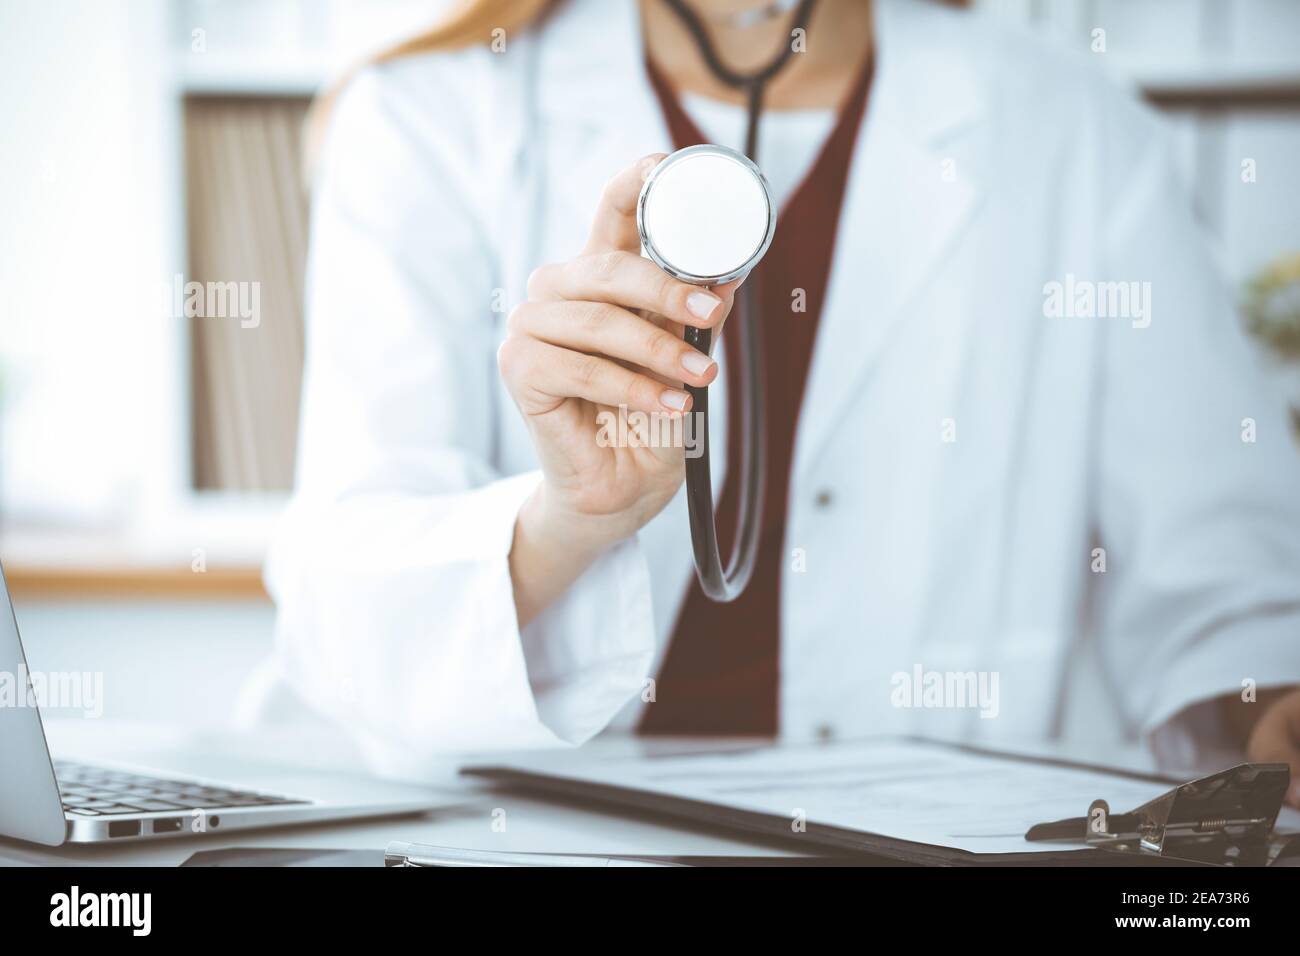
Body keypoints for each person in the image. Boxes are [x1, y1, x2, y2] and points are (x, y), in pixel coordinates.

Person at [244, 0, 1300, 799]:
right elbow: (346, 594)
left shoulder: (1073, 130)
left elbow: (1223, 584)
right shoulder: (432, 117)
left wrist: (1265, 714)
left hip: (918, 830)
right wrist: (568, 523)